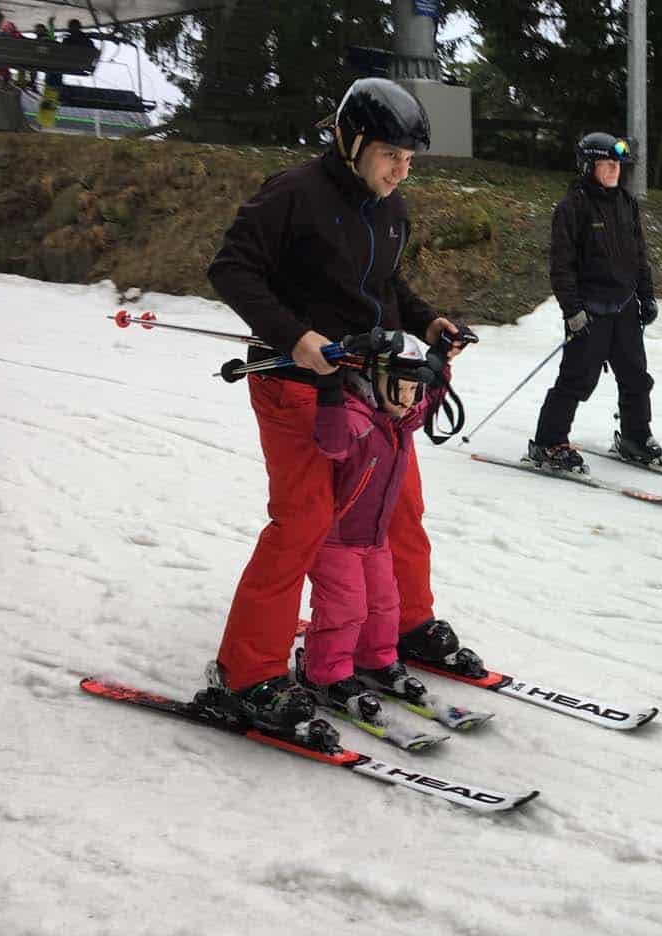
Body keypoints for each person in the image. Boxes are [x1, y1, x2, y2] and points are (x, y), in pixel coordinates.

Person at [204, 77, 477, 737]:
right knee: (305, 522)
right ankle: (249, 674)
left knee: (397, 509)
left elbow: (385, 283)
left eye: (409, 160)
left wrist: (428, 321)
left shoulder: (391, 207)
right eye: (390, 155)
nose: (400, 170)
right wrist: (296, 336)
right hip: (294, 384)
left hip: (370, 388)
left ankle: (403, 626)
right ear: (350, 139)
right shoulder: (294, 194)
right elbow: (231, 268)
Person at [295, 337, 445, 723]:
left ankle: (376, 660)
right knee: (344, 609)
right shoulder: (355, 418)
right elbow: (331, 442)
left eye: (415, 390)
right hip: (338, 539)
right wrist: (328, 385)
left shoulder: (400, 420)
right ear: (372, 381)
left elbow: (426, 407)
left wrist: (441, 361)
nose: (411, 399)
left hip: (375, 538)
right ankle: (324, 673)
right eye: (403, 388)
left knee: (384, 604)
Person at [529, 132, 661, 471]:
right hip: (589, 313)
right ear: (589, 166)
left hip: (625, 308)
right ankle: (549, 442)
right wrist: (572, 311)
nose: (615, 170)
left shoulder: (626, 203)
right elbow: (561, 267)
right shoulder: (572, 208)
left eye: (618, 164)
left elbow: (639, 257)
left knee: (635, 376)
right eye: (607, 163)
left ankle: (636, 435)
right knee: (577, 380)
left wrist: (647, 297)